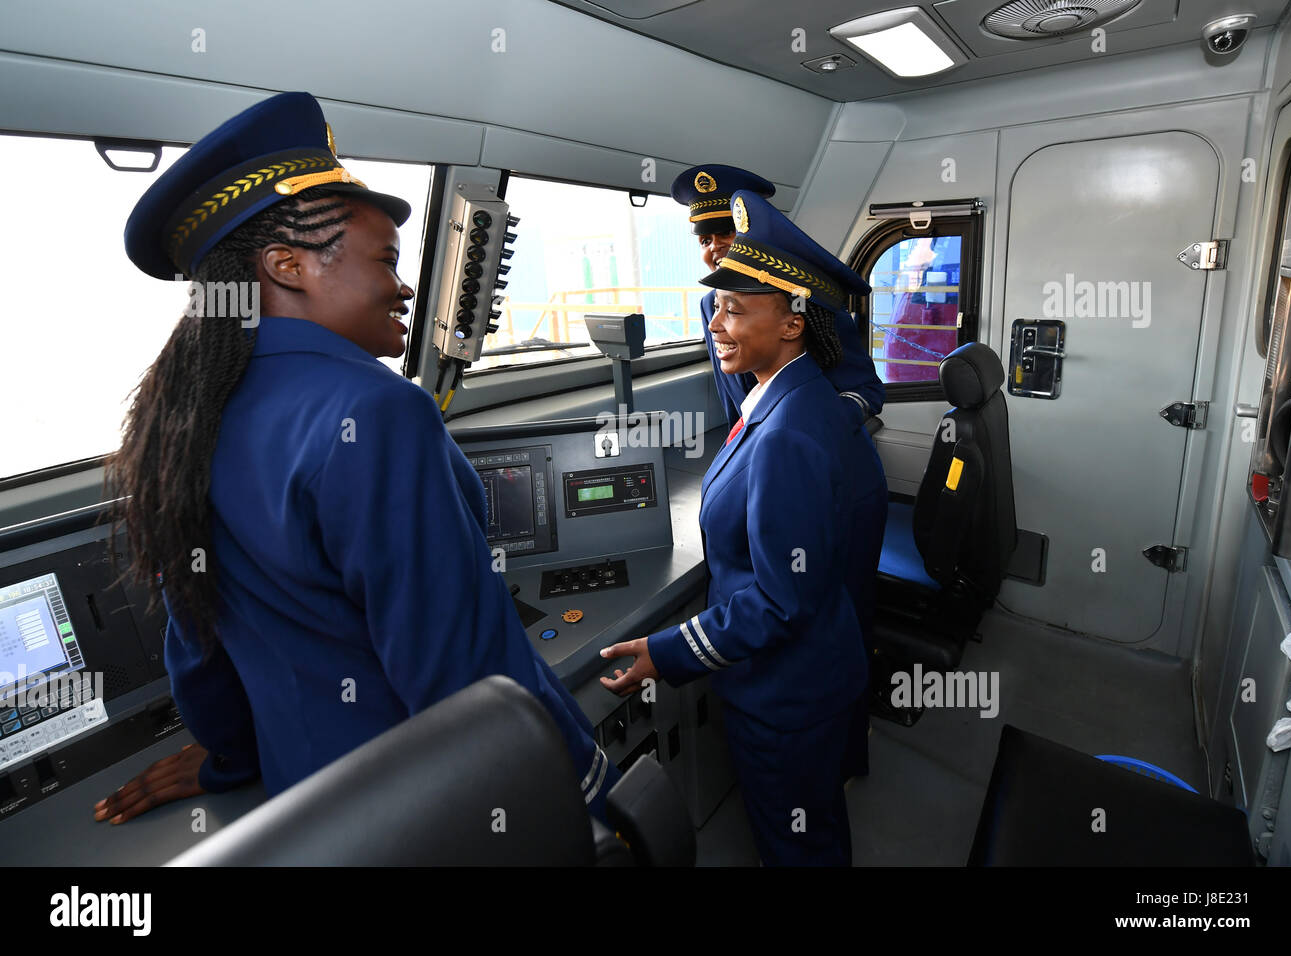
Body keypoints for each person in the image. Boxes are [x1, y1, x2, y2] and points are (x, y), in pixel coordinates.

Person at [95, 91, 618, 826]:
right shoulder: (377, 410)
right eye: (386, 261)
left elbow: (199, 649)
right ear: (288, 266)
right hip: (438, 813)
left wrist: (230, 758)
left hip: (322, 815)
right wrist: (590, 800)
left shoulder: (179, 421)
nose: (404, 287)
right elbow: (465, 677)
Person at [600, 190, 889, 865]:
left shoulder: (788, 432)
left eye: (735, 310)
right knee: (815, 825)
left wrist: (666, 652)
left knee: (796, 843)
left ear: (792, 324)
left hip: (786, 693)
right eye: (716, 308)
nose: (717, 324)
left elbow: (780, 600)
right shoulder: (794, 396)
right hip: (817, 672)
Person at [669, 164, 886, 426]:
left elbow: (866, 392)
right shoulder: (708, 306)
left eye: (727, 232)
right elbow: (733, 396)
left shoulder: (802, 297)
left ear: (752, 234)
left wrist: (818, 425)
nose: (715, 246)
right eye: (704, 240)